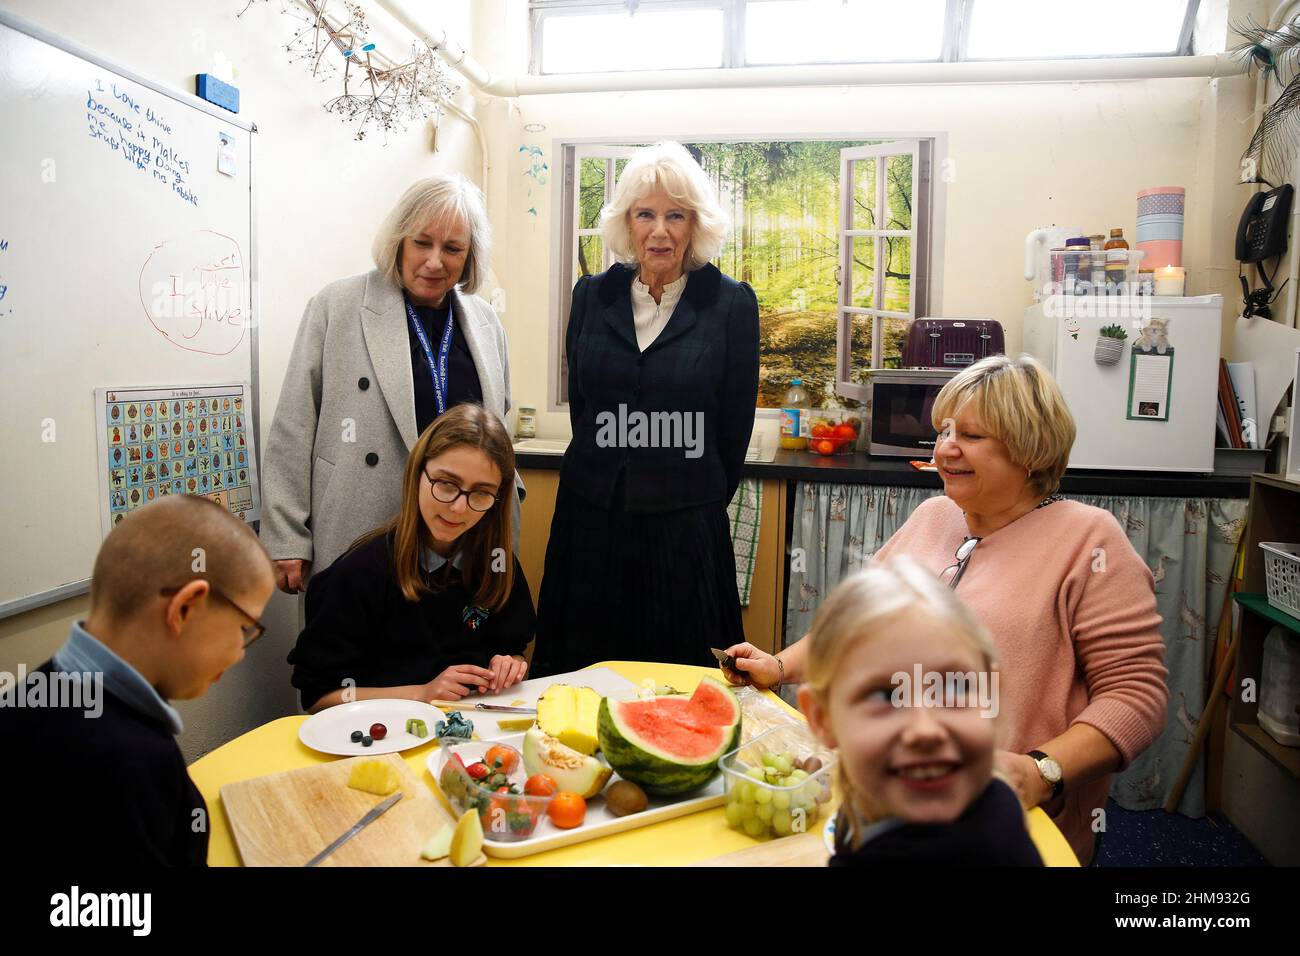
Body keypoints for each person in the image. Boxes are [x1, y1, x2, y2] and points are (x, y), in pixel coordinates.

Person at [724, 354, 1167, 864]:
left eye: (972, 436)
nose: (946, 448)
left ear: (1031, 449)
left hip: (1007, 825)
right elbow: (853, 628)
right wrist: (778, 666)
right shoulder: (934, 515)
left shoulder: (1089, 540)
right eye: (945, 430)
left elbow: (1137, 696)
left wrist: (1041, 771)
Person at [533, 141, 760, 674]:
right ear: (627, 224)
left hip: (684, 527)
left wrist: (689, 493)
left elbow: (733, 428)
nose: (660, 230)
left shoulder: (730, 304)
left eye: (675, 215)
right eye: (646, 214)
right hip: (591, 517)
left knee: (681, 673)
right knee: (583, 670)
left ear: (695, 225)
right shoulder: (591, 295)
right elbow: (585, 410)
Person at [260, 174, 519, 593]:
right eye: (422, 242)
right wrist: (286, 534)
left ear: (469, 257)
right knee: (354, 652)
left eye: (452, 248)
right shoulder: (337, 306)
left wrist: (509, 514)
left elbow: (500, 432)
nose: (435, 261)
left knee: (451, 653)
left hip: (461, 535)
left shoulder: (486, 322)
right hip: (360, 520)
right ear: (399, 240)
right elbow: (294, 422)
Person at [0, 496, 275, 866]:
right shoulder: (134, 764)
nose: (240, 652)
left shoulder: (27, 697)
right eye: (244, 628)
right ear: (185, 608)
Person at [288, 404, 535, 713]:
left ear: (498, 500)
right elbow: (317, 698)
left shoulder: (499, 566)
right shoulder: (357, 575)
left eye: (481, 493)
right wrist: (422, 693)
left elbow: (513, 647)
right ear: (418, 473)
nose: (458, 508)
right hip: (383, 736)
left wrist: (510, 663)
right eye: (446, 484)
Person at [800, 559, 1043, 866]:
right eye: (886, 695)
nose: (925, 729)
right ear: (822, 718)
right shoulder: (997, 796)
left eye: (955, 687)